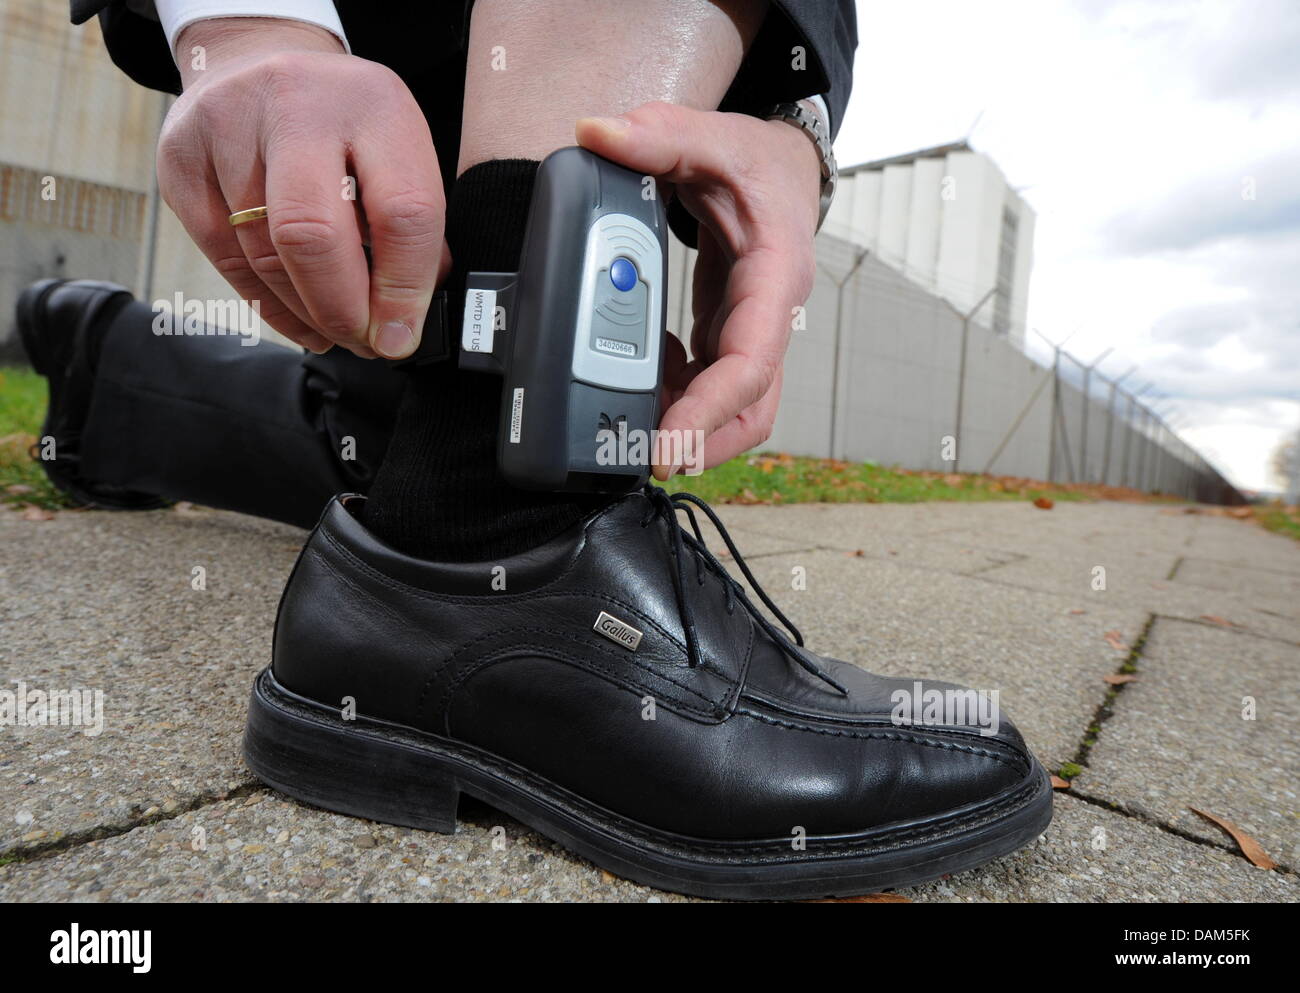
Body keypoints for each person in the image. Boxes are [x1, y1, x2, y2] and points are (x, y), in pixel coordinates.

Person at [19, 0, 1051, 899]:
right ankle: (487, 542)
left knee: (415, 451)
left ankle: (119, 373)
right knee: (465, 458)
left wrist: (788, 130)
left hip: (492, 164)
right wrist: (240, 22)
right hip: (397, 113)